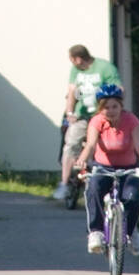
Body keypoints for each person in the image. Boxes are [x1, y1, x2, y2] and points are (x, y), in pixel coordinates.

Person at [75, 84, 139, 256]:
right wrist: (82, 159)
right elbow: (90, 145)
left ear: (121, 106)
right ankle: (96, 232)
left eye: (115, 106)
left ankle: (132, 232)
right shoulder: (97, 121)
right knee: (93, 189)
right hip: (103, 167)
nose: (111, 110)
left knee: (132, 197)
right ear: (100, 108)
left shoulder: (131, 121)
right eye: (106, 107)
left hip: (127, 168)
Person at [52, 45, 122, 199]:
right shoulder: (76, 71)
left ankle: (106, 179)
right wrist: (70, 112)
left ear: (78, 59)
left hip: (102, 115)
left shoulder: (105, 68)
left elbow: (119, 90)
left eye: (71, 59)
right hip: (81, 116)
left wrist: (112, 111)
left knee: (104, 144)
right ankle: (64, 183)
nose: (72, 63)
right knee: (71, 143)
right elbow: (71, 93)